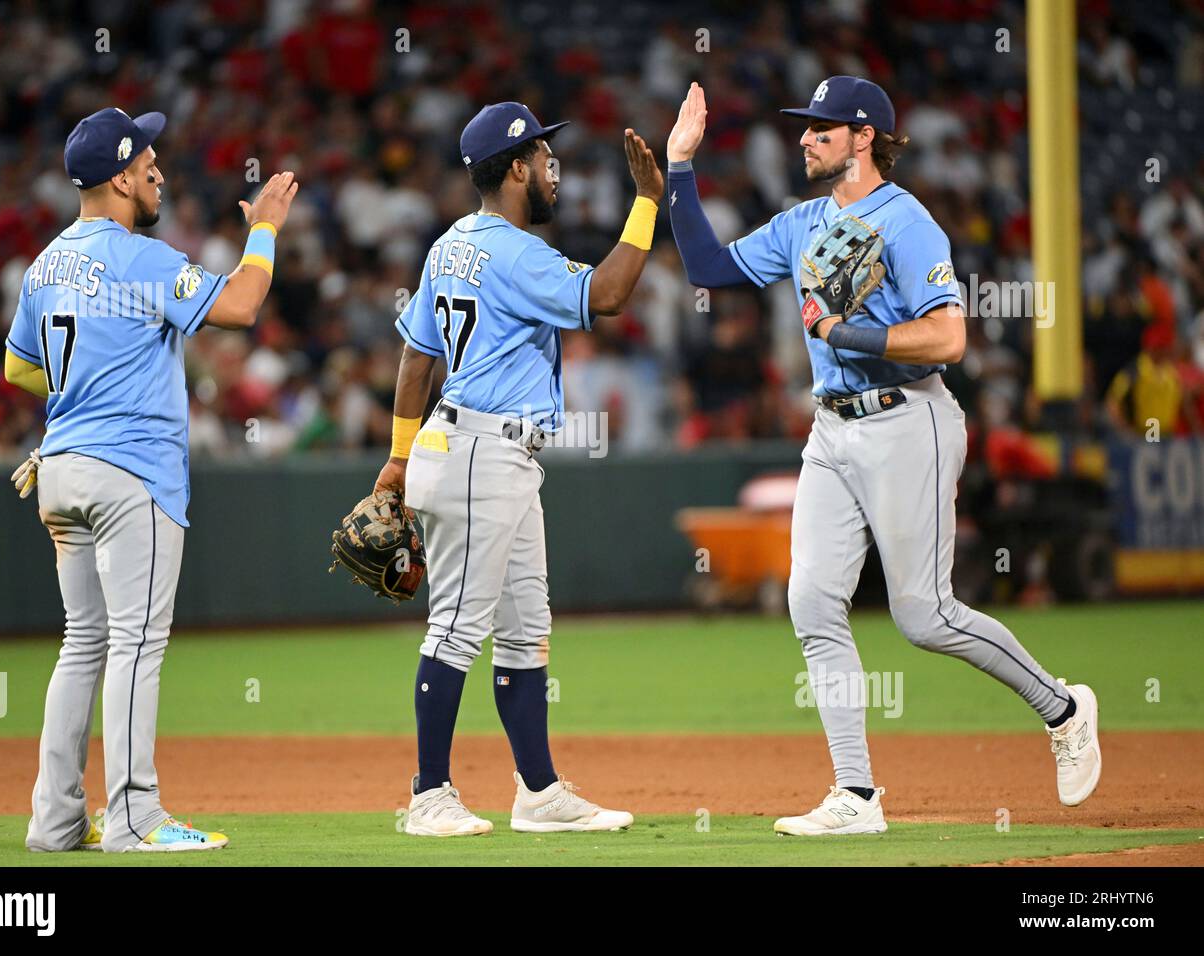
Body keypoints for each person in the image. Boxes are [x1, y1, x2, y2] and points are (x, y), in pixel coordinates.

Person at [665, 78, 1101, 835]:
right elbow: (708, 269)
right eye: (805, 127)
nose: (806, 138)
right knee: (811, 602)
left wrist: (847, 334)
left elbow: (949, 338)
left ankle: (1063, 709)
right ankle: (856, 797)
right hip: (831, 430)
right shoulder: (802, 221)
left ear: (865, 138)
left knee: (924, 618)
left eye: (823, 129)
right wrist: (678, 169)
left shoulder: (910, 223)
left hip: (910, 420)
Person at [7, 107, 297, 851]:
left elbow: (15, 366)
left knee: (83, 644)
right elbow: (240, 303)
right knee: (136, 644)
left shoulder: (45, 264)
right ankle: (134, 818)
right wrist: (262, 229)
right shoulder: (143, 258)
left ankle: (55, 820)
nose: (159, 172)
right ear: (117, 177)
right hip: (129, 474)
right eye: (147, 164)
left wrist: (79, 411)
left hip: (61, 469)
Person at [374, 103, 663, 836]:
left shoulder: (450, 244)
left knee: (526, 628)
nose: (550, 166)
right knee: (458, 627)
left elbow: (416, 356)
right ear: (512, 169)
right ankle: (428, 796)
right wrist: (648, 202)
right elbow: (609, 293)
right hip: (479, 452)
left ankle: (538, 791)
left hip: (479, 449)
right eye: (539, 153)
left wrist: (400, 455)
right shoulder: (513, 250)